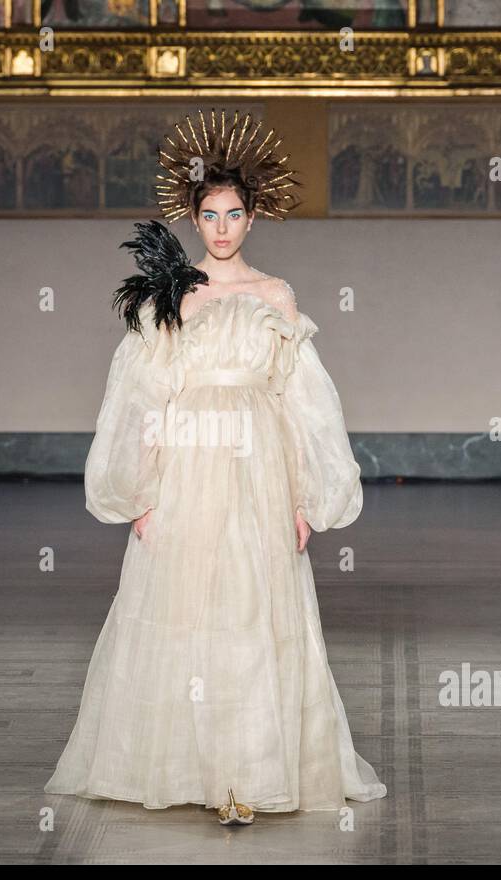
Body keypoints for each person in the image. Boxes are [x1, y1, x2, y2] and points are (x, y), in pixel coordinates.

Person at [44, 109, 387, 824]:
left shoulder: (275, 297)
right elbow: (141, 395)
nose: (222, 227)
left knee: (253, 610)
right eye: (210, 213)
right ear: (193, 216)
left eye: (235, 213)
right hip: (187, 466)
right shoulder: (172, 294)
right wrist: (139, 493)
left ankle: (247, 774)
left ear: (253, 217)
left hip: (259, 468)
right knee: (187, 608)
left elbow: (304, 404)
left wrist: (306, 499)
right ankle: (192, 767)